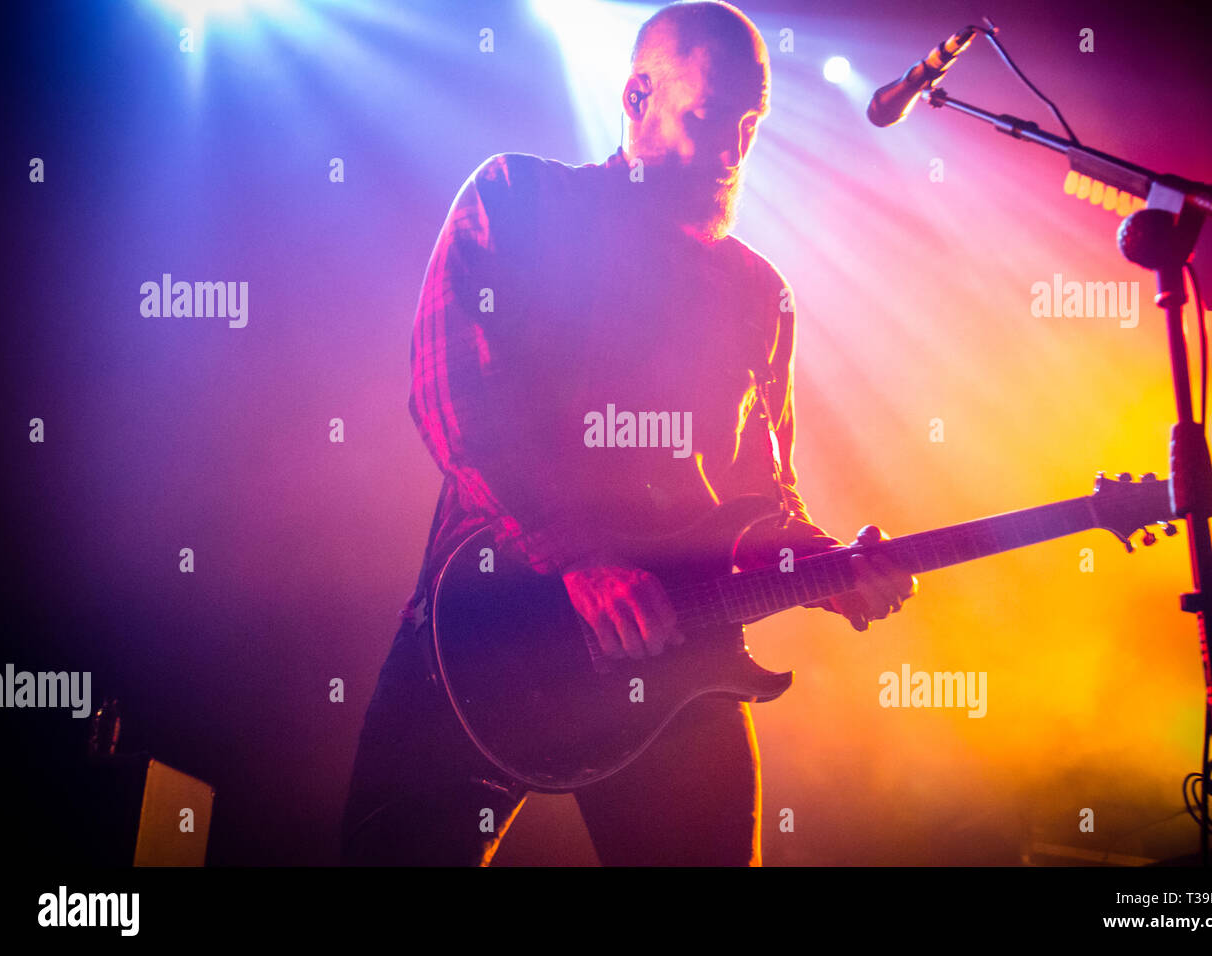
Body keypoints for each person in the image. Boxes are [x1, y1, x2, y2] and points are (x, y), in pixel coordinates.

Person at [341, 0, 916, 867]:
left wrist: (822, 564)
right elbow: (452, 393)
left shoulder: (760, 293)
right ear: (637, 94)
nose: (732, 146)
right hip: (486, 632)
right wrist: (578, 559)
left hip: (682, 663)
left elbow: (763, 496)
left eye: (751, 122)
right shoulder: (519, 196)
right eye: (708, 115)